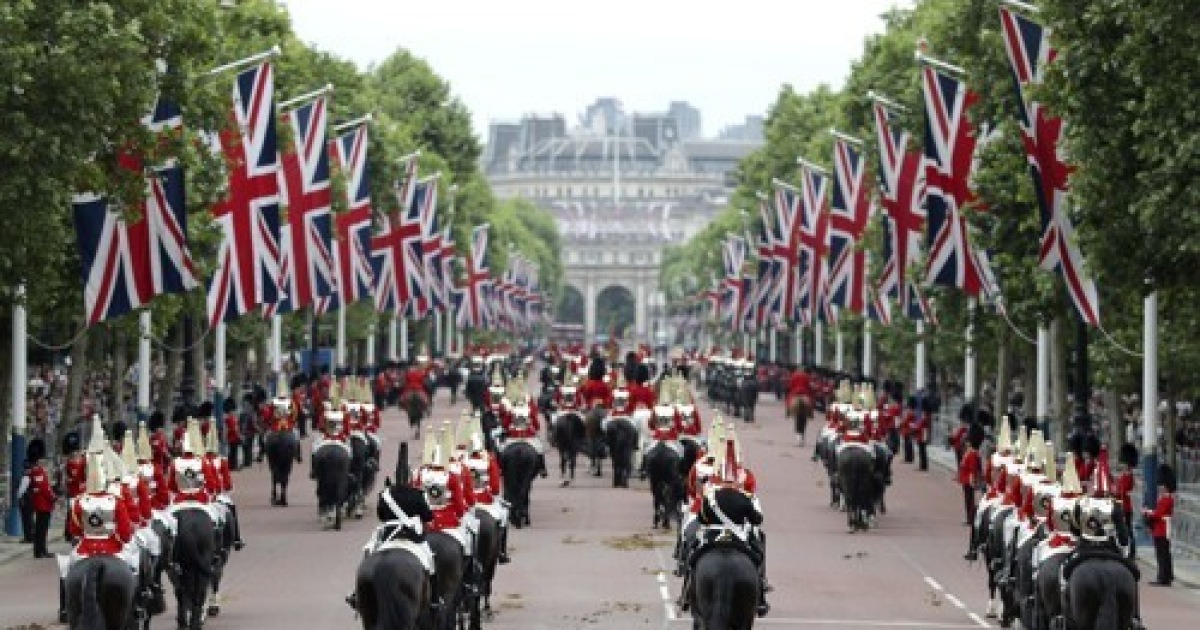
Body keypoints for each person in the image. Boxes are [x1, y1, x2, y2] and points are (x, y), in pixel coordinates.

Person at [22, 440, 57, 558]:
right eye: (42, 459)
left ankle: (40, 550)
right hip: (43, 504)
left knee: (41, 528)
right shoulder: (38, 471)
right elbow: (44, 489)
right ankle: (40, 550)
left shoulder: (38, 471)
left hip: (41, 503)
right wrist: (53, 497)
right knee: (41, 529)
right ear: (38, 460)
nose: (44, 461)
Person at [1143, 464, 1177, 586]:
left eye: (1162, 485)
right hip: (1160, 528)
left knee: (1162, 554)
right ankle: (1167, 575)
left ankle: (1163, 577)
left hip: (1162, 529)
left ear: (1166, 486)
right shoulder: (1164, 498)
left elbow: (1159, 514)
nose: (1160, 487)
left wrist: (1148, 512)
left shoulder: (1167, 499)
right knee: (1165, 553)